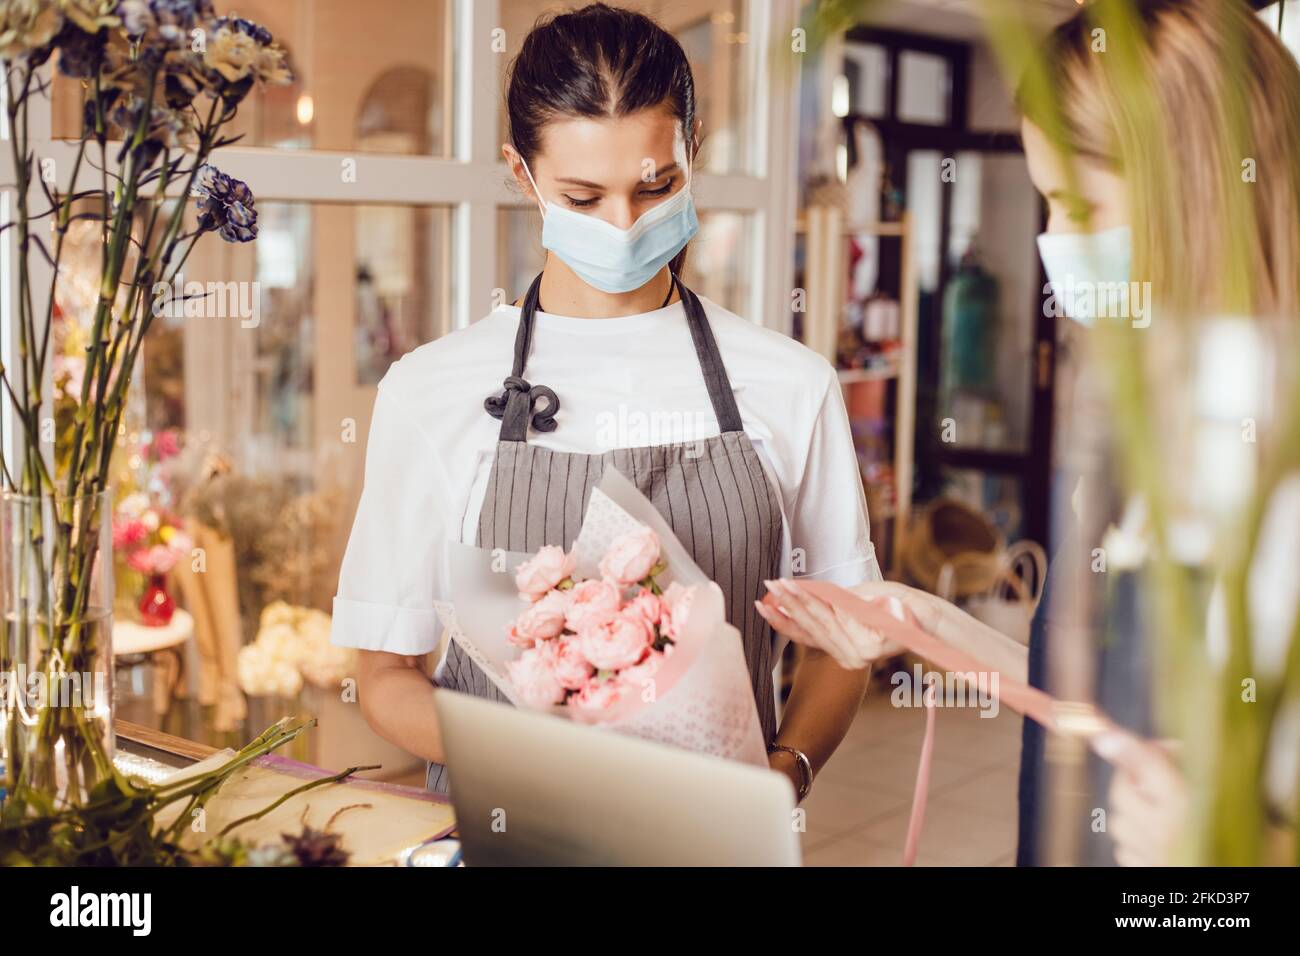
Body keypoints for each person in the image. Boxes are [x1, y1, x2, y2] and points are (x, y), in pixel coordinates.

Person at [760, 0, 1300, 865]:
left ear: (1200, 188)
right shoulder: (1151, 428)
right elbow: (1086, 702)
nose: (1052, 246)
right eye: (1046, 204)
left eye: (1080, 208)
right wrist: (923, 623)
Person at [330, 3, 881, 798]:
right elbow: (385, 671)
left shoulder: (790, 383)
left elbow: (841, 638)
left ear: (690, 155)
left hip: (711, 835)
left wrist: (784, 774)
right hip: (509, 826)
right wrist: (539, 756)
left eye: (655, 186)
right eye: (584, 198)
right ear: (523, 177)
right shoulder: (431, 388)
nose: (624, 226)